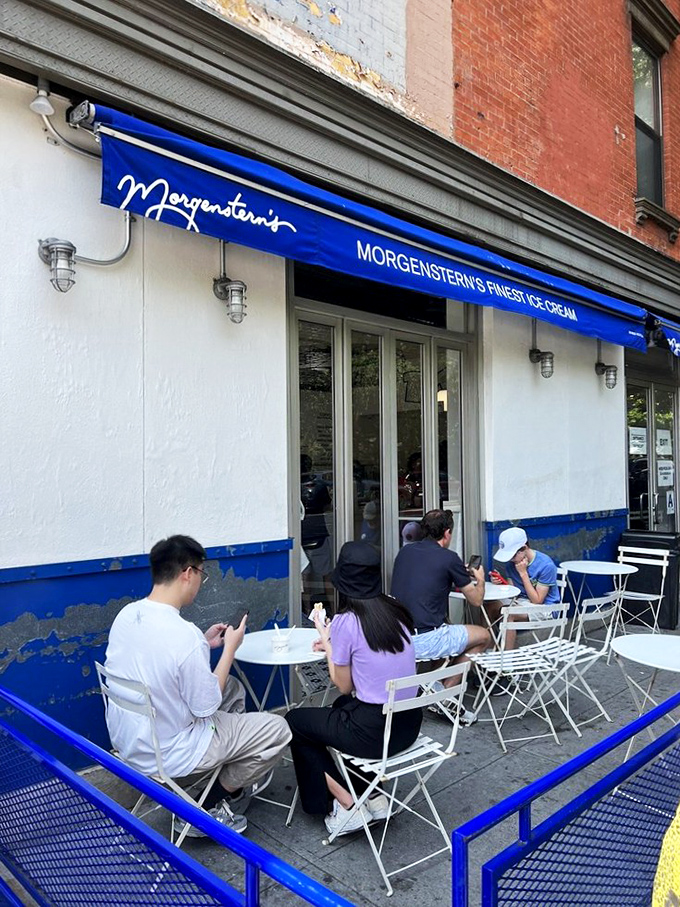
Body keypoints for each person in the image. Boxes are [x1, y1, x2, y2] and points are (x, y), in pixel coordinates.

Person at [104, 535, 291, 836]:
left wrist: (204, 644)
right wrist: (229, 648)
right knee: (278, 730)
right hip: (171, 751)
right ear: (188, 573)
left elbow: (157, 660)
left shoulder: (127, 615)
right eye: (202, 574)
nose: (201, 582)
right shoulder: (183, 634)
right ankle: (207, 804)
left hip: (130, 740)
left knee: (232, 686)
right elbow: (207, 705)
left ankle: (222, 769)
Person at [285, 541, 422, 836]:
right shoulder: (395, 609)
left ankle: (348, 806)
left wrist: (327, 637)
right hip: (407, 724)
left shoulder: (346, 621)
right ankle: (374, 796)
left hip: (374, 733)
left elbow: (344, 685)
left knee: (294, 722)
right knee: (339, 708)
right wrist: (334, 646)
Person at [390, 509, 490, 723]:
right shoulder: (449, 558)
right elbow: (476, 600)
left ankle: (435, 687)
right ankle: (444, 696)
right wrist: (480, 579)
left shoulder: (405, 552)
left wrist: (456, 573)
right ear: (447, 533)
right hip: (425, 640)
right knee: (483, 636)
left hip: (397, 635)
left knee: (446, 626)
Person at [488, 526, 560, 651]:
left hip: (546, 608)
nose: (510, 560)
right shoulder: (512, 563)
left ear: (523, 549)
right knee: (488, 606)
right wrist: (501, 583)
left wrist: (523, 573)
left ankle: (507, 659)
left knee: (508, 613)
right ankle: (489, 651)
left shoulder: (546, 565)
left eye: (512, 556)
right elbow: (513, 592)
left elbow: (537, 600)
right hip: (521, 601)